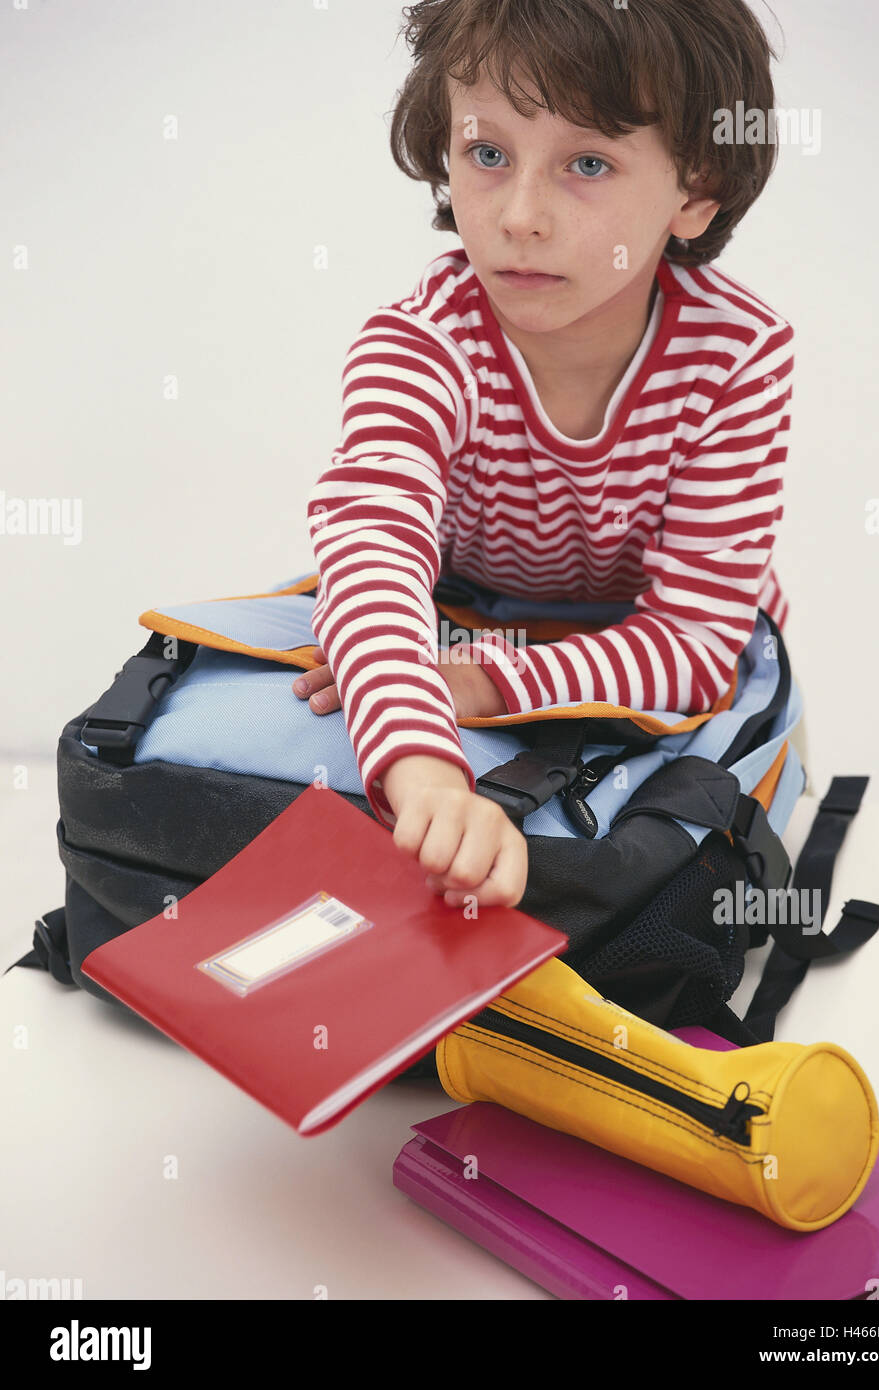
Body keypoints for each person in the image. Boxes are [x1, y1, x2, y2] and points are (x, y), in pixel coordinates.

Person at [293, 0, 795, 911]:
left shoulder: (737, 356)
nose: (519, 216)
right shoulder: (417, 346)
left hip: (630, 657)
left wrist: (486, 679)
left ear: (696, 190)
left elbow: (694, 650)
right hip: (474, 618)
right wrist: (430, 778)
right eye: (489, 154)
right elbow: (369, 544)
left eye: (589, 163)